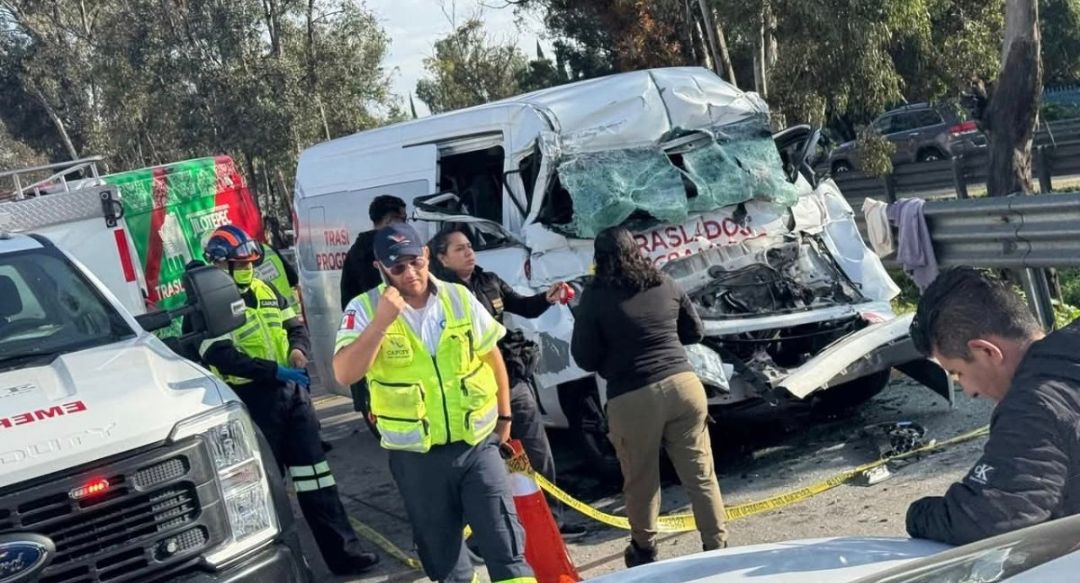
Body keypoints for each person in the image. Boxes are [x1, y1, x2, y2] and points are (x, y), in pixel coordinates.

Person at [333, 223, 536, 583]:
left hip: (476, 444)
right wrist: (381, 322)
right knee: (446, 560)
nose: (410, 273)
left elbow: (492, 356)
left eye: (415, 262)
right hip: (418, 458)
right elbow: (345, 373)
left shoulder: (457, 297)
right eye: (398, 267)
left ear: (426, 256)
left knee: (505, 545)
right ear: (381, 267)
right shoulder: (363, 309)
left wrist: (504, 416)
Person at [196, 225, 380, 575]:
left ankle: (345, 554)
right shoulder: (208, 306)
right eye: (239, 263)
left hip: (292, 396)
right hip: (251, 400)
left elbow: (294, 326)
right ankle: (288, 568)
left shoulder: (267, 291)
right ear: (220, 265)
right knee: (265, 492)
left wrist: (298, 351)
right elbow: (218, 354)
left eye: (251, 261)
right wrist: (272, 371)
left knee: (317, 478)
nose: (247, 268)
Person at [570, 226, 728, 568]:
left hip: (632, 396)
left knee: (641, 479)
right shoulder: (663, 282)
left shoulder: (594, 298)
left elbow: (584, 357)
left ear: (599, 260)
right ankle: (718, 546)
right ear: (637, 250)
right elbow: (695, 331)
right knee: (700, 473)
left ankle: (644, 551)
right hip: (684, 386)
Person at [429, 228, 588, 540]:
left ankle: (554, 522)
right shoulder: (437, 296)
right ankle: (486, 534)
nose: (469, 252)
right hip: (471, 395)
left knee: (538, 453)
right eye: (460, 249)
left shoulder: (488, 281)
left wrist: (548, 297)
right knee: (483, 467)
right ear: (441, 258)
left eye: (470, 246)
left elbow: (522, 306)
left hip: (511, 383)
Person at [905, 266, 1080, 545]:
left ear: (986, 351)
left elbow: (990, 519)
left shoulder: (1035, 406)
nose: (969, 392)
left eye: (958, 373)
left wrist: (918, 514)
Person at [340, 195, 407, 418]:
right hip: (376, 346)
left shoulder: (371, 248)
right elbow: (387, 298)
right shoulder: (369, 252)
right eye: (402, 220)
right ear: (390, 220)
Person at [340, 195, 407, 308]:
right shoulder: (375, 251)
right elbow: (378, 293)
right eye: (402, 220)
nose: (405, 225)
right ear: (389, 220)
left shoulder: (359, 249)